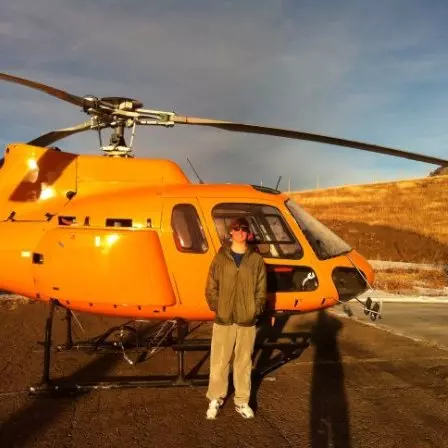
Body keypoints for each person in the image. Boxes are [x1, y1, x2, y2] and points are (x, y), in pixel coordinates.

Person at [205, 217, 267, 419]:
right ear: (230, 232)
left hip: (246, 321)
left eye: (244, 229)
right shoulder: (220, 258)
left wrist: (254, 310)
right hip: (224, 320)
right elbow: (211, 287)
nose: (240, 232)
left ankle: (242, 401)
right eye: (236, 229)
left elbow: (261, 290)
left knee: (243, 363)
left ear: (248, 233)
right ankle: (215, 398)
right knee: (219, 362)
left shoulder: (256, 260)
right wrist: (218, 307)